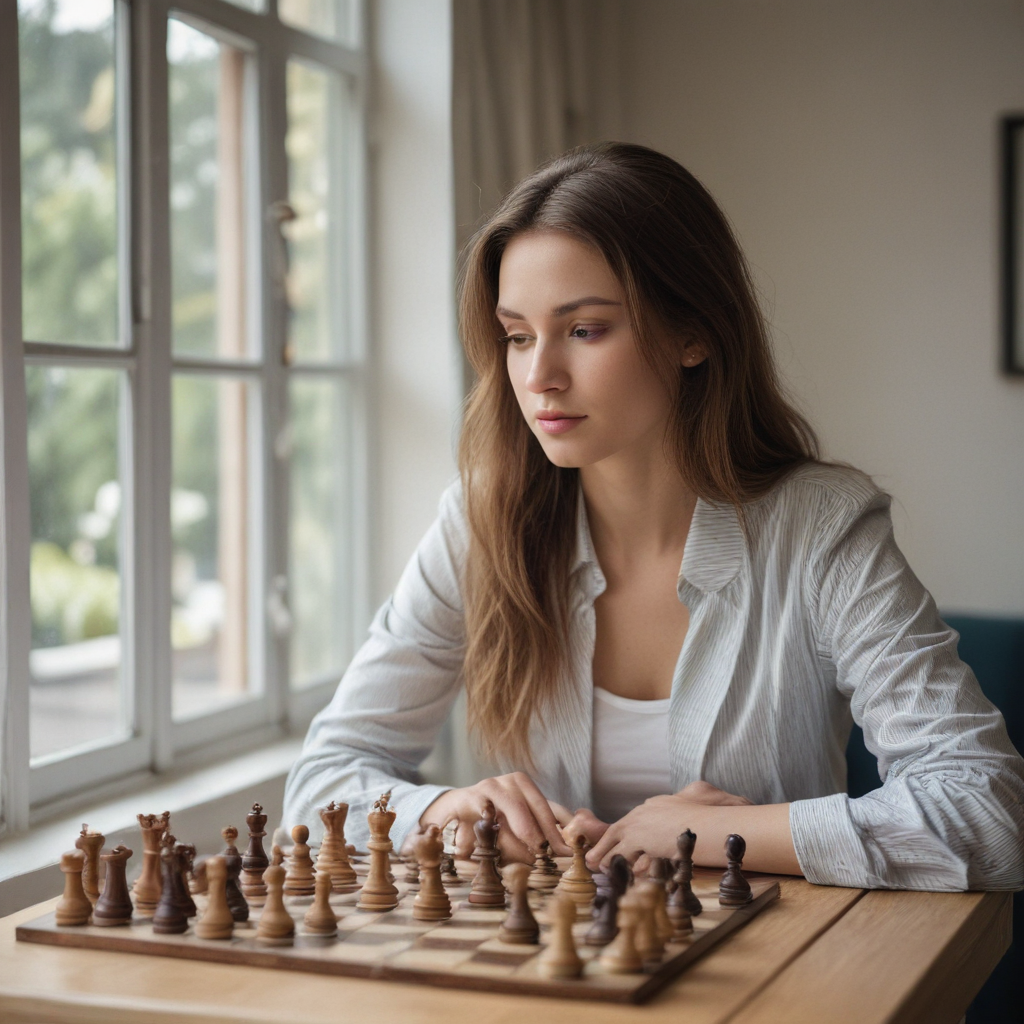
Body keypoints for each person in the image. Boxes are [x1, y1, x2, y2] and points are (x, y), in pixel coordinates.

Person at [283, 143, 1024, 890]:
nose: (538, 376)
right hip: (554, 976)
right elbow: (317, 788)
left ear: (693, 333)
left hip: (780, 975)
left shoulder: (821, 529)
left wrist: (706, 830)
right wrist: (441, 810)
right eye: (516, 335)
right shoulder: (482, 521)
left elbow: (988, 815)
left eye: (585, 329)